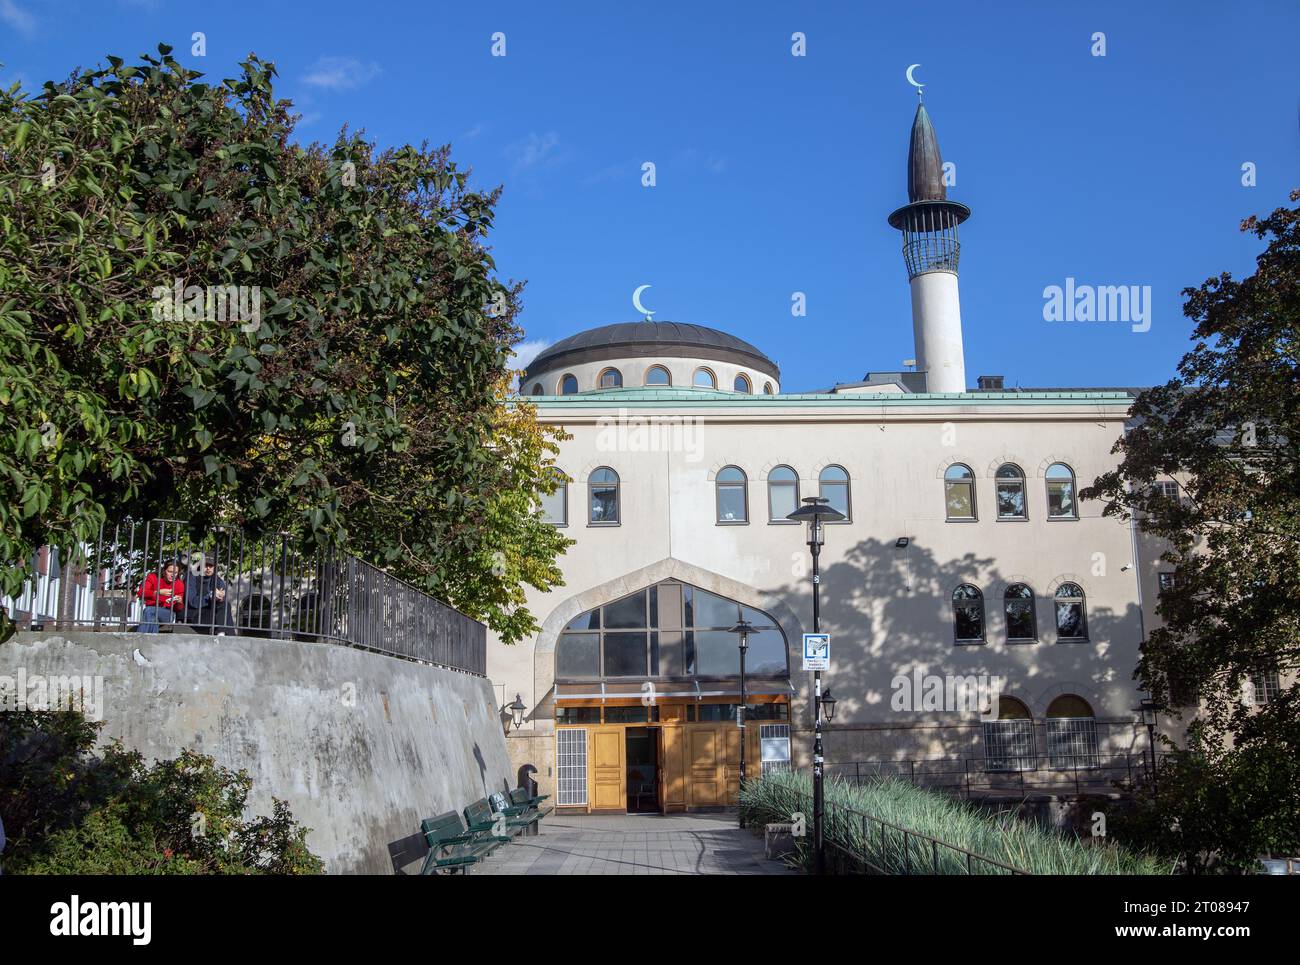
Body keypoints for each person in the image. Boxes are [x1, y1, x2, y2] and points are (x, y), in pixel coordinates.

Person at [184, 556, 233, 634]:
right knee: (224, 616)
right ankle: (226, 635)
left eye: (211, 566)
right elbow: (192, 602)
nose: (208, 568)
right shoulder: (192, 576)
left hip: (212, 613)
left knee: (226, 605)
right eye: (205, 565)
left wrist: (220, 598)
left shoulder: (217, 580)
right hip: (195, 614)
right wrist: (211, 596)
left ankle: (221, 633)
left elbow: (222, 601)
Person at [136, 560, 185, 633]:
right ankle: (151, 642)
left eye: (175, 573)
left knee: (148, 611)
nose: (172, 575)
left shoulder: (179, 584)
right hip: (152, 611)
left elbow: (179, 608)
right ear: (164, 571)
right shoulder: (153, 577)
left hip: (168, 613)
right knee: (153, 620)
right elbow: (140, 593)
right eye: (170, 572)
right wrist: (157, 592)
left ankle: (138, 638)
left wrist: (179, 602)